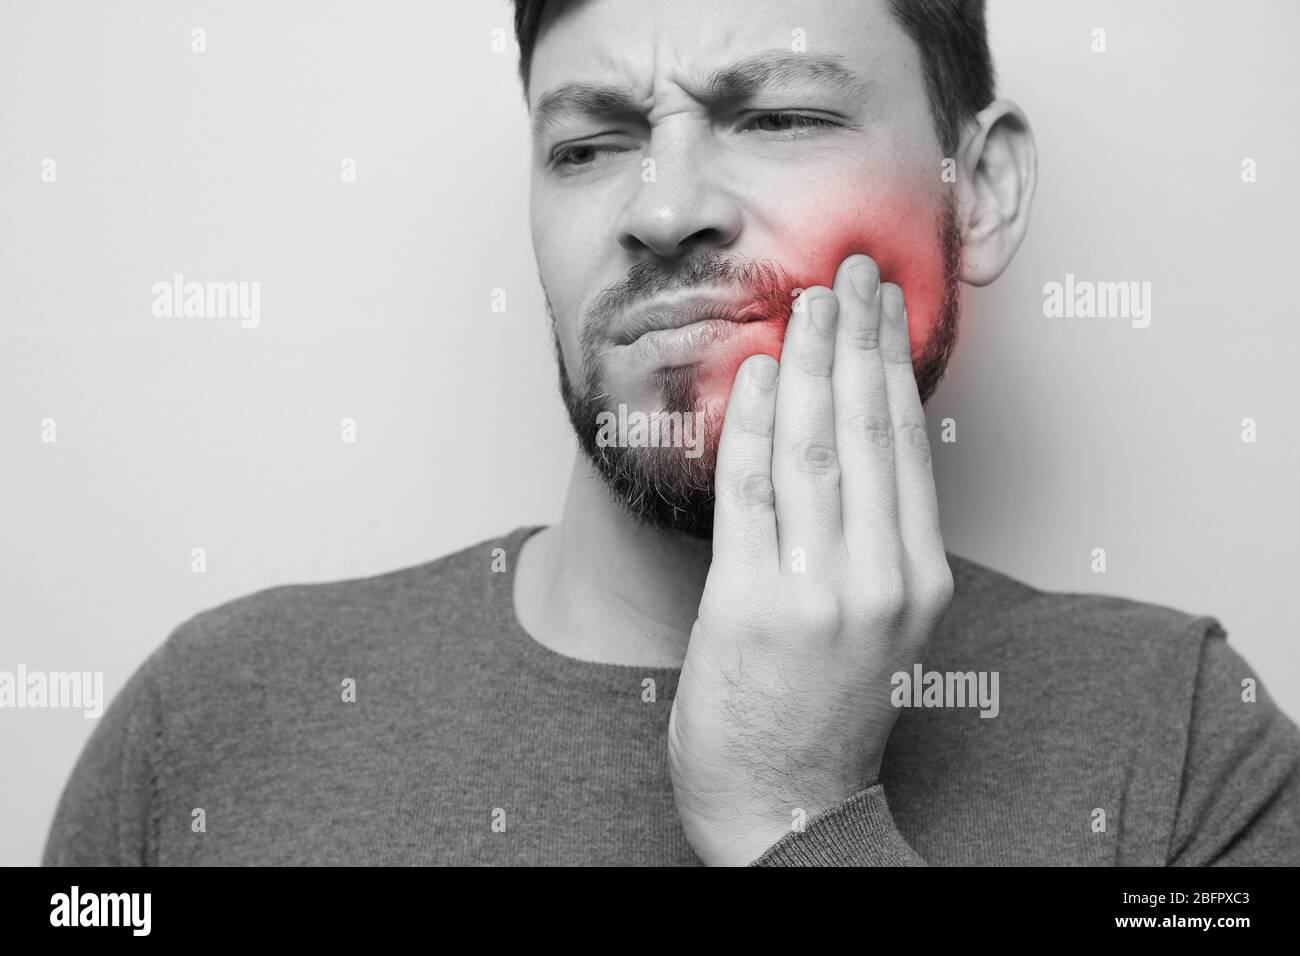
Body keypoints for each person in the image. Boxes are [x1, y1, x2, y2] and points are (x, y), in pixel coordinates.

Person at [43, 0, 1300, 866]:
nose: (662, 208)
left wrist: (797, 819)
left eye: (778, 118)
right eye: (590, 144)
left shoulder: (1183, 741)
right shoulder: (210, 722)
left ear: (976, 192)